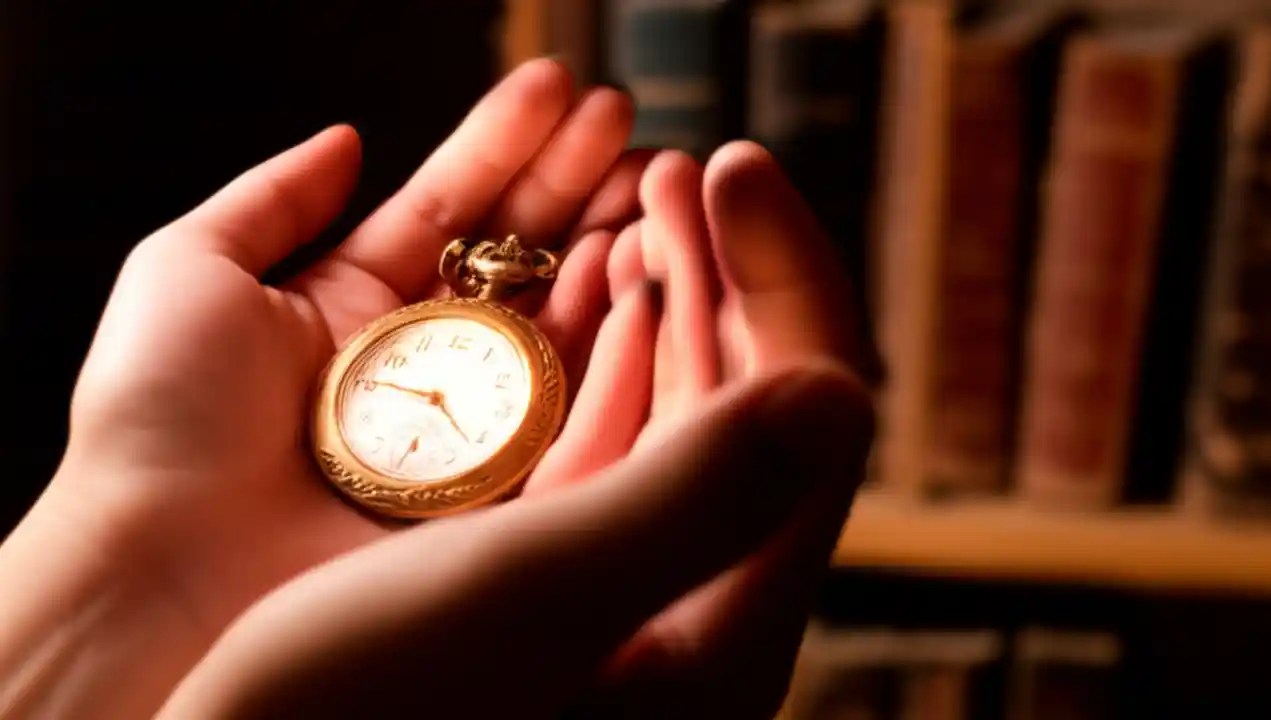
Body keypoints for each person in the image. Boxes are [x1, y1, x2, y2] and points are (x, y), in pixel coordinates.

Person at [0, 59, 873, 718]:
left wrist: (87, 582)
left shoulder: (504, 345)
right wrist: (109, 537)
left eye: (440, 396)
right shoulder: (394, 345)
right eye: (425, 392)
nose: (430, 395)